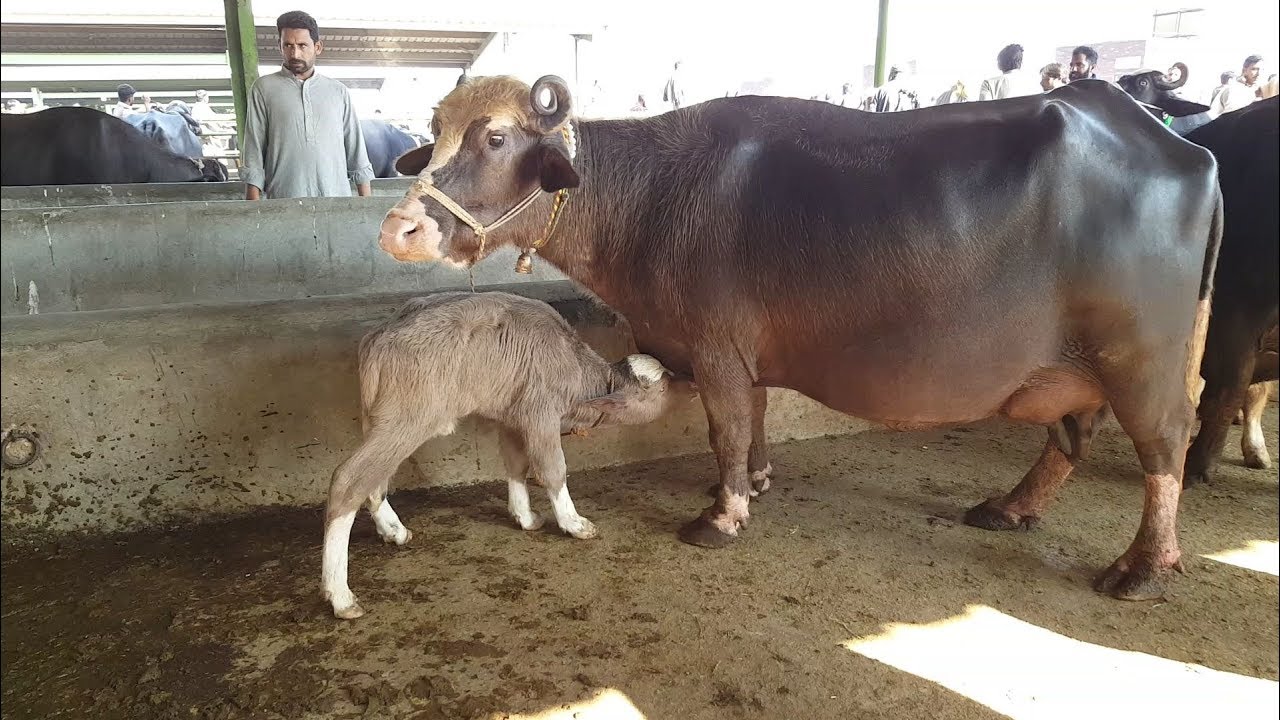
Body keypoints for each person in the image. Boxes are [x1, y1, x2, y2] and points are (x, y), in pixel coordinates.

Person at [241, 10, 374, 200]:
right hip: (284, 200)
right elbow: (253, 149)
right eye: (288, 45)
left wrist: (365, 207)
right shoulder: (263, 88)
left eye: (302, 45)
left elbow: (356, 150)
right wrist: (252, 211)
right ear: (280, 47)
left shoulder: (338, 91)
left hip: (335, 198)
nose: (295, 53)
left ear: (318, 47)